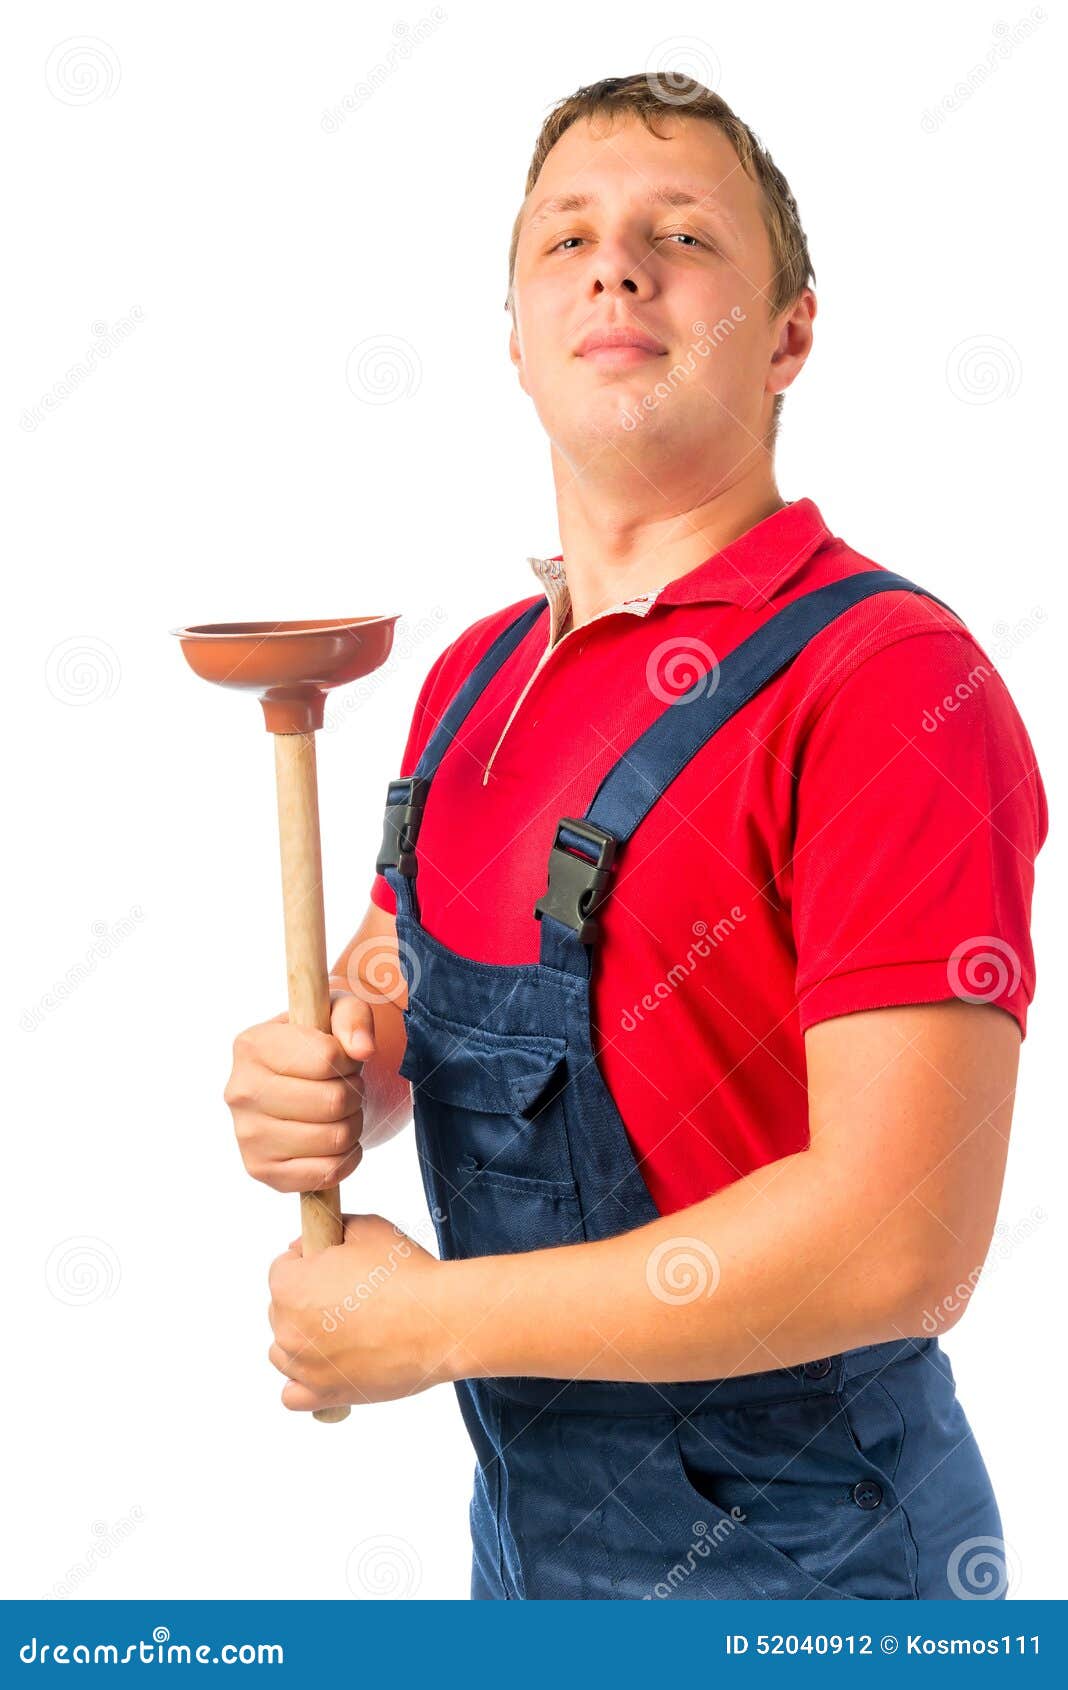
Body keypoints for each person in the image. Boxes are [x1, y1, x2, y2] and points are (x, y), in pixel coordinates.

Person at [225, 75, 1047, 1600]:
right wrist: (331, 1073)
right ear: (518, 339)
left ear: (790, 334)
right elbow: (398, 986)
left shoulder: (883, 683)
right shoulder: (469, 682)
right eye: (570, 240)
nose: (618, 267)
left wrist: (438, 1322)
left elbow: (904, 1243)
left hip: (822, 1573)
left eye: (681, 236)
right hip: (530, 1554)